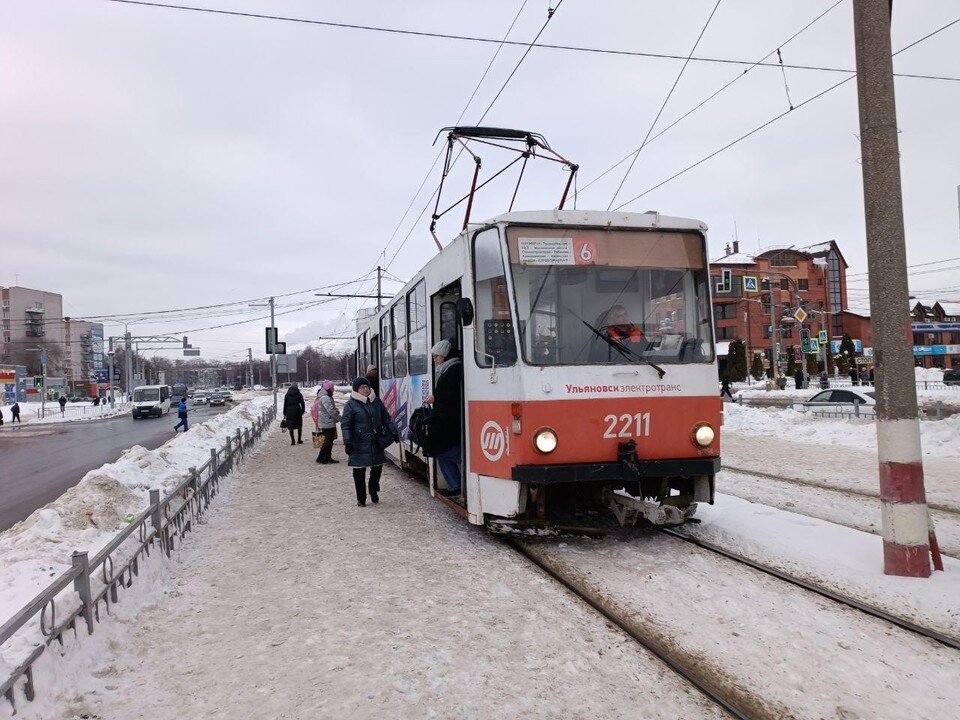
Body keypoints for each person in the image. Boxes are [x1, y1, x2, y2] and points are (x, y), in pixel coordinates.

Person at [341, 376, 398, 506]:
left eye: (367, 386)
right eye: (362, 387)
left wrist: (394, 432)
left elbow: (386, 419)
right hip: (358, 443)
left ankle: (373, 489)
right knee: (359, 472)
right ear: (356, 389)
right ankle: (361, 498)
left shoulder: (376, 402)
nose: (366, 389)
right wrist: (348, 442)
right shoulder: (350, 405)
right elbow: (346, 425)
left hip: (376, 441)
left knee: (377, 468)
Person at [424, 339, 463, 497]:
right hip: (448, 418)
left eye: (436, 356)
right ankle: (455, 484)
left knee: (443, 451)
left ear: (444, 355)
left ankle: (457, 482)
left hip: (450, 419)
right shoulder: (448, 368)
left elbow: (453, 394)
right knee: (442, 451)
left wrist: (436, 397)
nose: (435, 360)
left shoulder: (452, 370)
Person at [312, 380, 341, 464]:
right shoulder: (325, 398)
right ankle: (325, 458)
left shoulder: (323, 396)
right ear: (329, 389)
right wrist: (340, 418)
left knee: (326, 441)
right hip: (327, 423)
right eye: (332, 388)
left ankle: (322, 458)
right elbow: (330, 411)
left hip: (325, 422)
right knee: (328, 442)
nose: (333, 389)